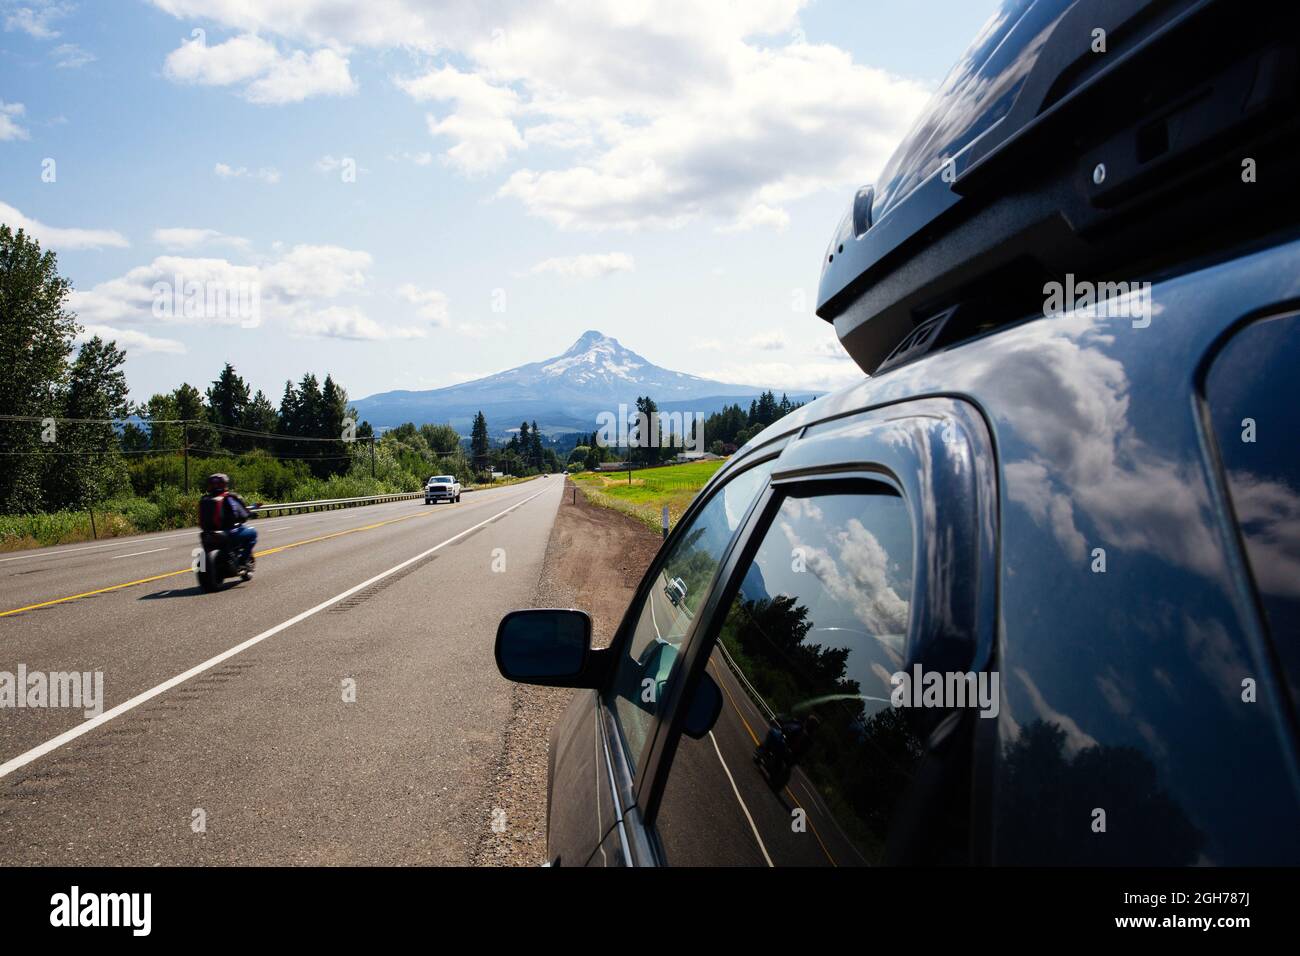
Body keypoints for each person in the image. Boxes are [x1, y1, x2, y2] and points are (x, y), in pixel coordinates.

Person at [198, 473, 257, 568]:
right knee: (253, 533)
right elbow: (242, 514)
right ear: (225, 484)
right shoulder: (229, 497)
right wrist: (249, 514)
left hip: (207, 533)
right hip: (229, 532)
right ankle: (242, 561)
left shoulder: (204, 499)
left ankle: (208, 566)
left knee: (205, 550)